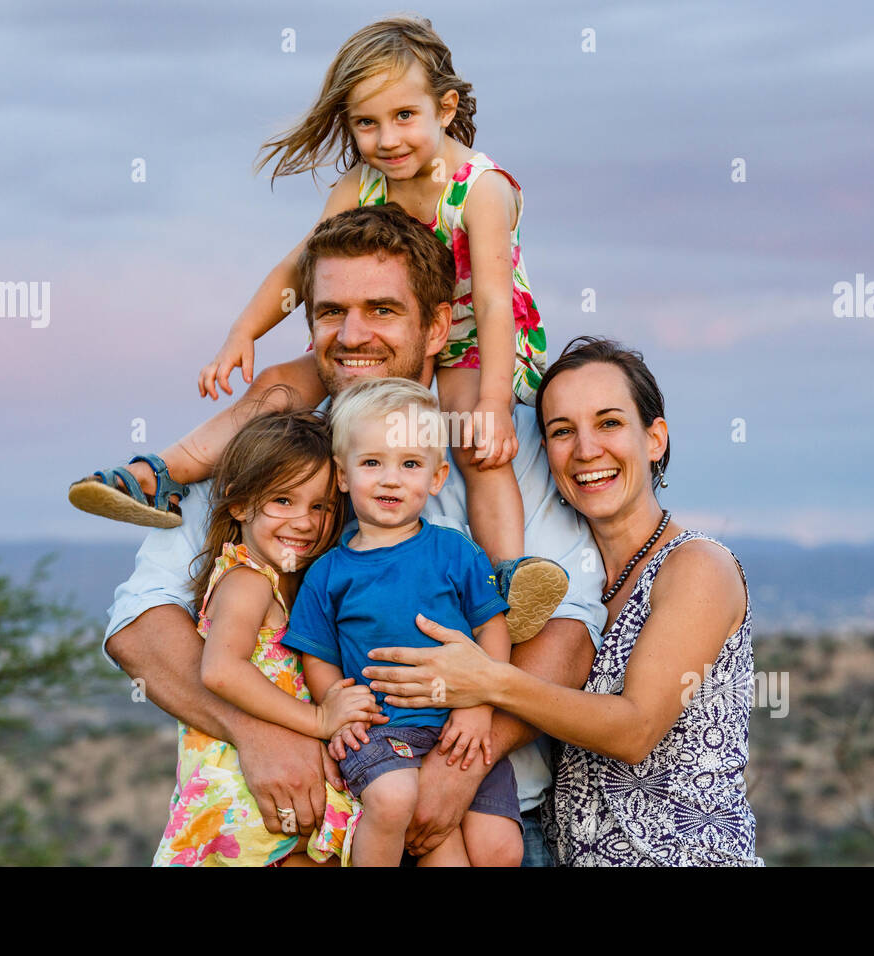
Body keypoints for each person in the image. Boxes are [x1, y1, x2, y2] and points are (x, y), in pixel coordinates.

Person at [103, 205, 606, 866]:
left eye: (381, 309)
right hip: (306, 833)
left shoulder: (504, 445)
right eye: (330, 312)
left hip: (488, 814)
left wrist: (466, 758)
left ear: (434, 328)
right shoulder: (268, 448)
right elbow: (138, 623)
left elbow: (568, 632)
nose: (352, 334)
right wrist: (258, 732)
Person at [69, 15, 564, 644]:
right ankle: (158, 475)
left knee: (475, 443)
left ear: (445, 107)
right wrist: (242, 332)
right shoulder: (361, 183)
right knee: (279, 382)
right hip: (383, 343)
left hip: (471, 341)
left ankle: (503, 577)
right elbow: (302, 268)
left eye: (404, 116)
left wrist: (495, 399)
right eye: (366, 122)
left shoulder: (481, 189)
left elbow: (494, 303)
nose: (387, 138)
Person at [362, 337, 765, 866]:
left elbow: (635, 729)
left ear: (655, 439)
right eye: (561, 431)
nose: (586, 449)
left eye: (610, 423)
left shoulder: (696, 566)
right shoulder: (587, 578)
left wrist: (489, 679)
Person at [283, 378, 522, 866]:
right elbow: (318, 654)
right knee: (396, 804)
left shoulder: (455, 551)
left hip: (461, 726)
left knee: (501, 848)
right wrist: (333, 703)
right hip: (381, 730)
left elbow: (491, 628)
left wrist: (480, 706)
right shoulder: (328, 571)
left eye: (410, 464)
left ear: (436, 479)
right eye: (372, 463)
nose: (391, 479)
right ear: (343, 476)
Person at [153, 408, 384, 866]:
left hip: (271, 799)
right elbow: (220, 671)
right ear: (238, 503)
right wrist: (319, 720)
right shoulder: (248, 580)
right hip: (243, 799)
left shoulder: (288, 581)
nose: (303, 521)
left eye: (319, 507)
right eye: (283, 501)